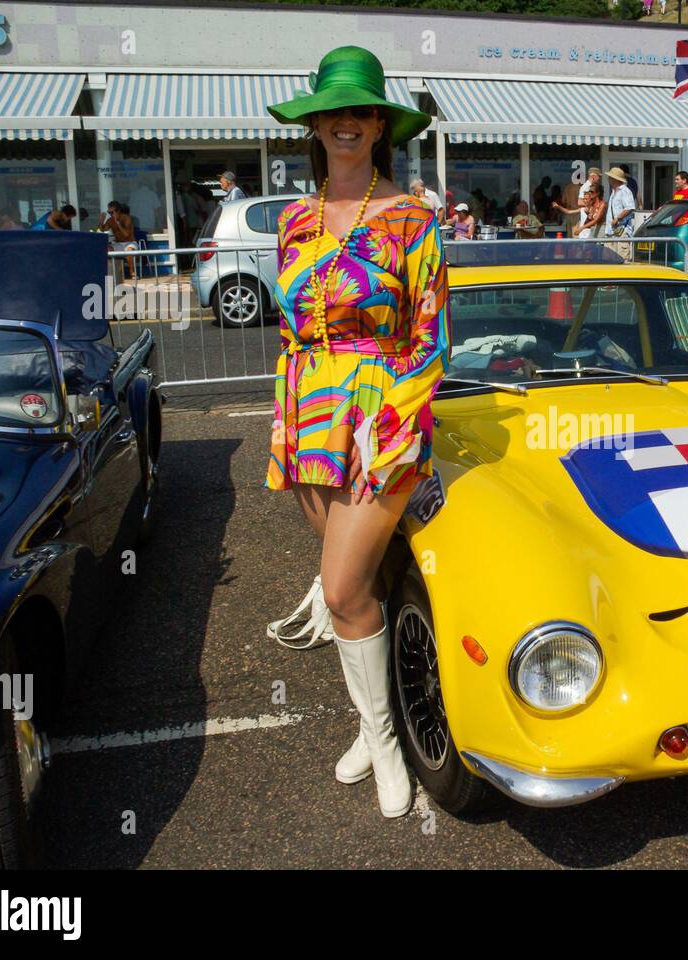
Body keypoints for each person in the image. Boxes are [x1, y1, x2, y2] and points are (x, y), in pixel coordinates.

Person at [263, 45, 448, 820]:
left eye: (362, 111)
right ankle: (373, 729)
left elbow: (432, 338)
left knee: (341, 586)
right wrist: (287, 414)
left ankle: (385, 743)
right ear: (315, 125)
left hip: (380, 419)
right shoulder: (293, 218)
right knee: (358, 591)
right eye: (333, 112)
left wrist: (392, 423)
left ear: (380, 126)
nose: (347, 123)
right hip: (309, 416)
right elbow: (290, 329)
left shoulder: (410, 218)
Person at [99, 201, 137, 280]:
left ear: (118, 211)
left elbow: (126, 234)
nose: (111, 214)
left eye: (112, 212)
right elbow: (103, 230)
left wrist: (117, 222)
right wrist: (101, 221)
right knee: (106, 249)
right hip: (118, 244)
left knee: (129, 250)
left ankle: (132, 272)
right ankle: (111, 273)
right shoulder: (110, 220)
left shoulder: (126, 218)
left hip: (130, 243)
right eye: (109, 212)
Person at [604, 166, 635, 237]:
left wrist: (617, 218)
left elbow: (629, 208)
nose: (608, 178)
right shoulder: (613, 192)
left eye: (610, 177)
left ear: (615, 179)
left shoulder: (625, 191)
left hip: (621, 232)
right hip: (611, 232)